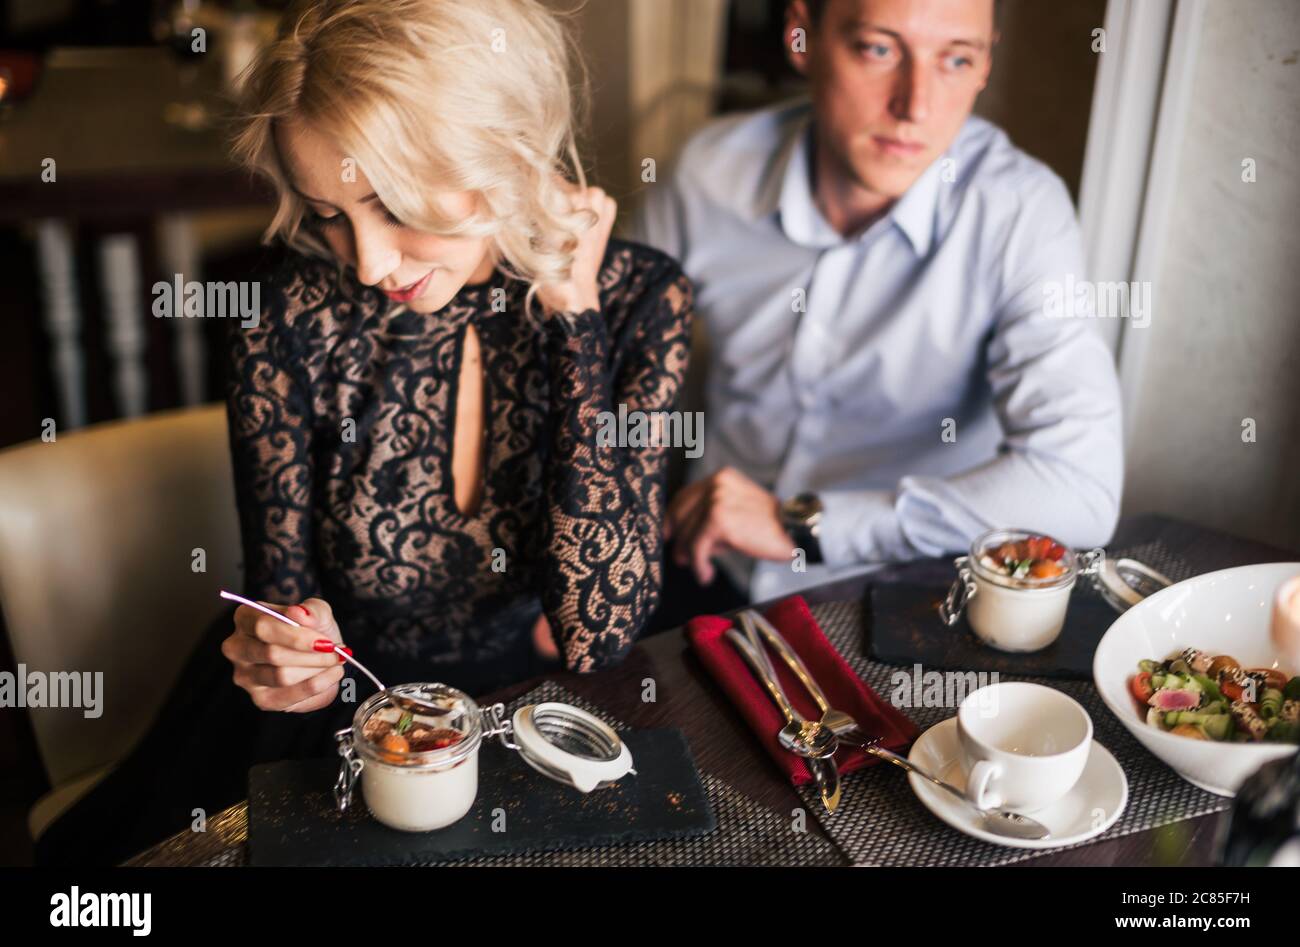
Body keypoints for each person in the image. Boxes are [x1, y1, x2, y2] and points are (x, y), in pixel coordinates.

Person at [36, 0, 692, 865]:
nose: (368, 262)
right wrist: (285, 659)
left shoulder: (641, 302)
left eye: (392, 203)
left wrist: (575, 318)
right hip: (336, 730)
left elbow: (597, 634)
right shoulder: (287, 320)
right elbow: (283, 596)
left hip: (523, 716)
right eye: (331, 213)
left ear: (509, 153)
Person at [632, 0, 1122, 620]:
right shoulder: (705, 174)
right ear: (801, 37)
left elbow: (1080, 487)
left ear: (984, 64)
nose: (915, 105)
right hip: (705, 564)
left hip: (903, 597)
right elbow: (615, 380)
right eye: (879, 49)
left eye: (955, 58)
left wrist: (812, 525)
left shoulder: (1019, 212)